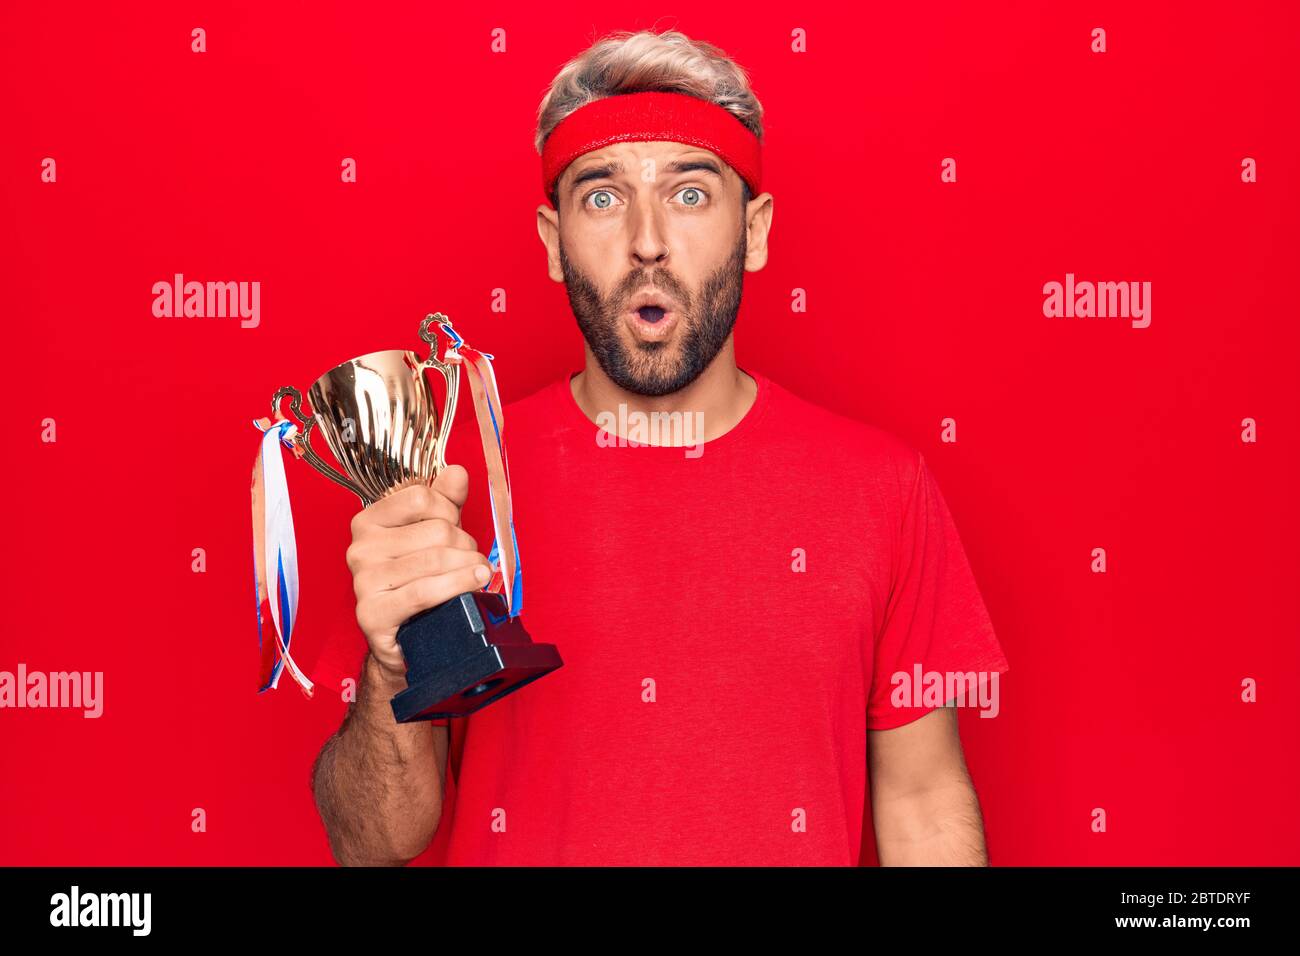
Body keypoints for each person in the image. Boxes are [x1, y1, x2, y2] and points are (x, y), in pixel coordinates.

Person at [311, 28, 1009, 866]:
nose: (646, 241)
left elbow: (925, 802)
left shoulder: (885, 490)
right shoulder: (448, 487)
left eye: (689, 194)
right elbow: (372, 843)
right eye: (601, 197)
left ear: (753, 231)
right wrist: (391, 674)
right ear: (551, 243)